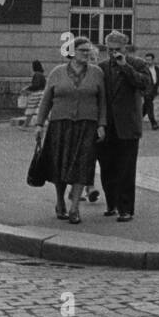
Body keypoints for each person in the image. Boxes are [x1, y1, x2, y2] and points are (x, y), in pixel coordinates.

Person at [33, 37, 106, 224]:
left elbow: (102, 102)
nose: (87, 54)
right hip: (60, 124)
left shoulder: (97, 73)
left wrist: (101, 125)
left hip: (87, 125)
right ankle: (60, 202)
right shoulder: (57, 73)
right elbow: (46, 100)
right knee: (60, 165)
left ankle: (74, 208)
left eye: (89, 51)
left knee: (83, 164)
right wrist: (39, 124)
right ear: (72, 52)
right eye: (83, 50)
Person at [97, 30, 149, 223]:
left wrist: (125, 66)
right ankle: (112, 203)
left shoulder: (137, 64)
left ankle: (126, 209)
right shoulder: (101, 67)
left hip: (128, 125)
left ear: (125, 48)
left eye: (117, 49)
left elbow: (145, 85)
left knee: (126, 169)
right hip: (107, 125)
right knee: (107, 167)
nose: (113, 53)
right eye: (110, 49)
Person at [141, 52, 159, 131]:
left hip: (154, 89)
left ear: (153, 60)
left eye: (149, 60)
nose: (148, 61)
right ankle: (153, 123)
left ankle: (136, 120)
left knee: (146, 107)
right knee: (149, 105)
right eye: (146, 60)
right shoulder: (143, 69)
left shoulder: (157, 69)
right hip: (147, 89)